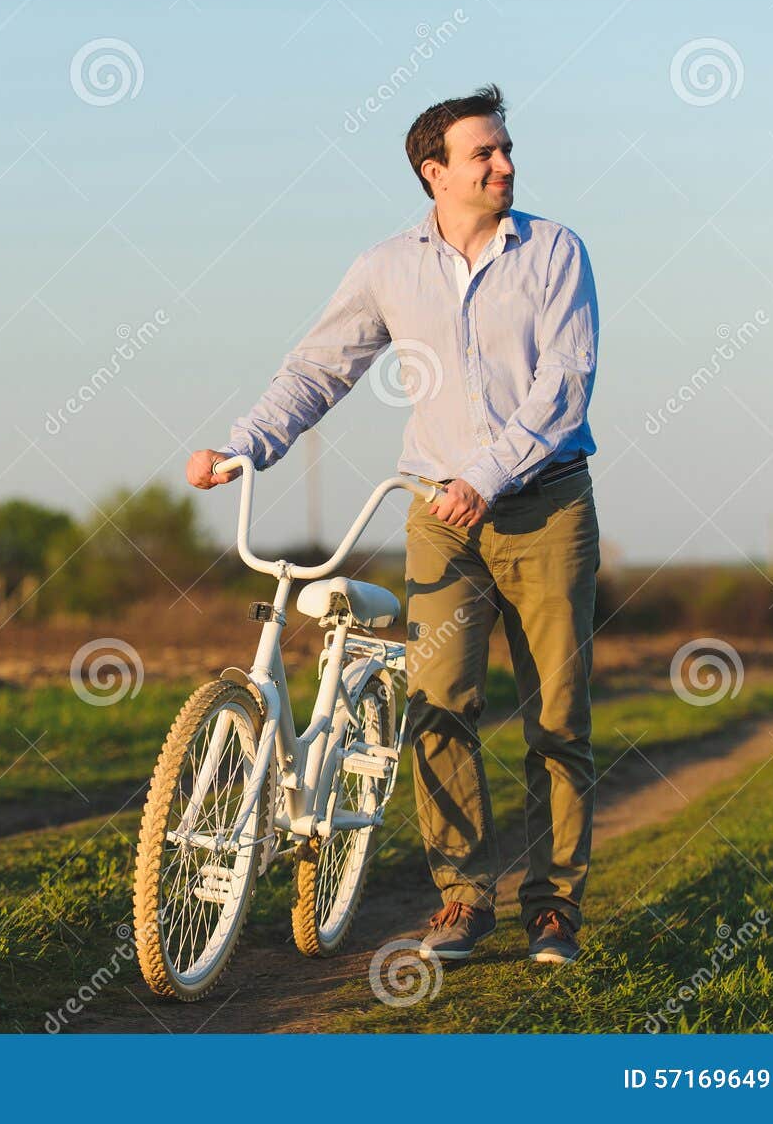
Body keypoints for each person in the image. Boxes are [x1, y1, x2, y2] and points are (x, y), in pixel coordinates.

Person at [184, 84, 600, 965]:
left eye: (507, 147)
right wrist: (243, 448)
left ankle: (554, 905)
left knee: (556, 716)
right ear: (434, 172)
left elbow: (562, 389)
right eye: (484, 153)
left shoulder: (556, 252)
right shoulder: (386, 266)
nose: (505, 164)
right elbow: (317, 370)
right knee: (439, 703)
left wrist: (487, 476)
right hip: (438, 515)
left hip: (546, 507)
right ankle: (462, 901)